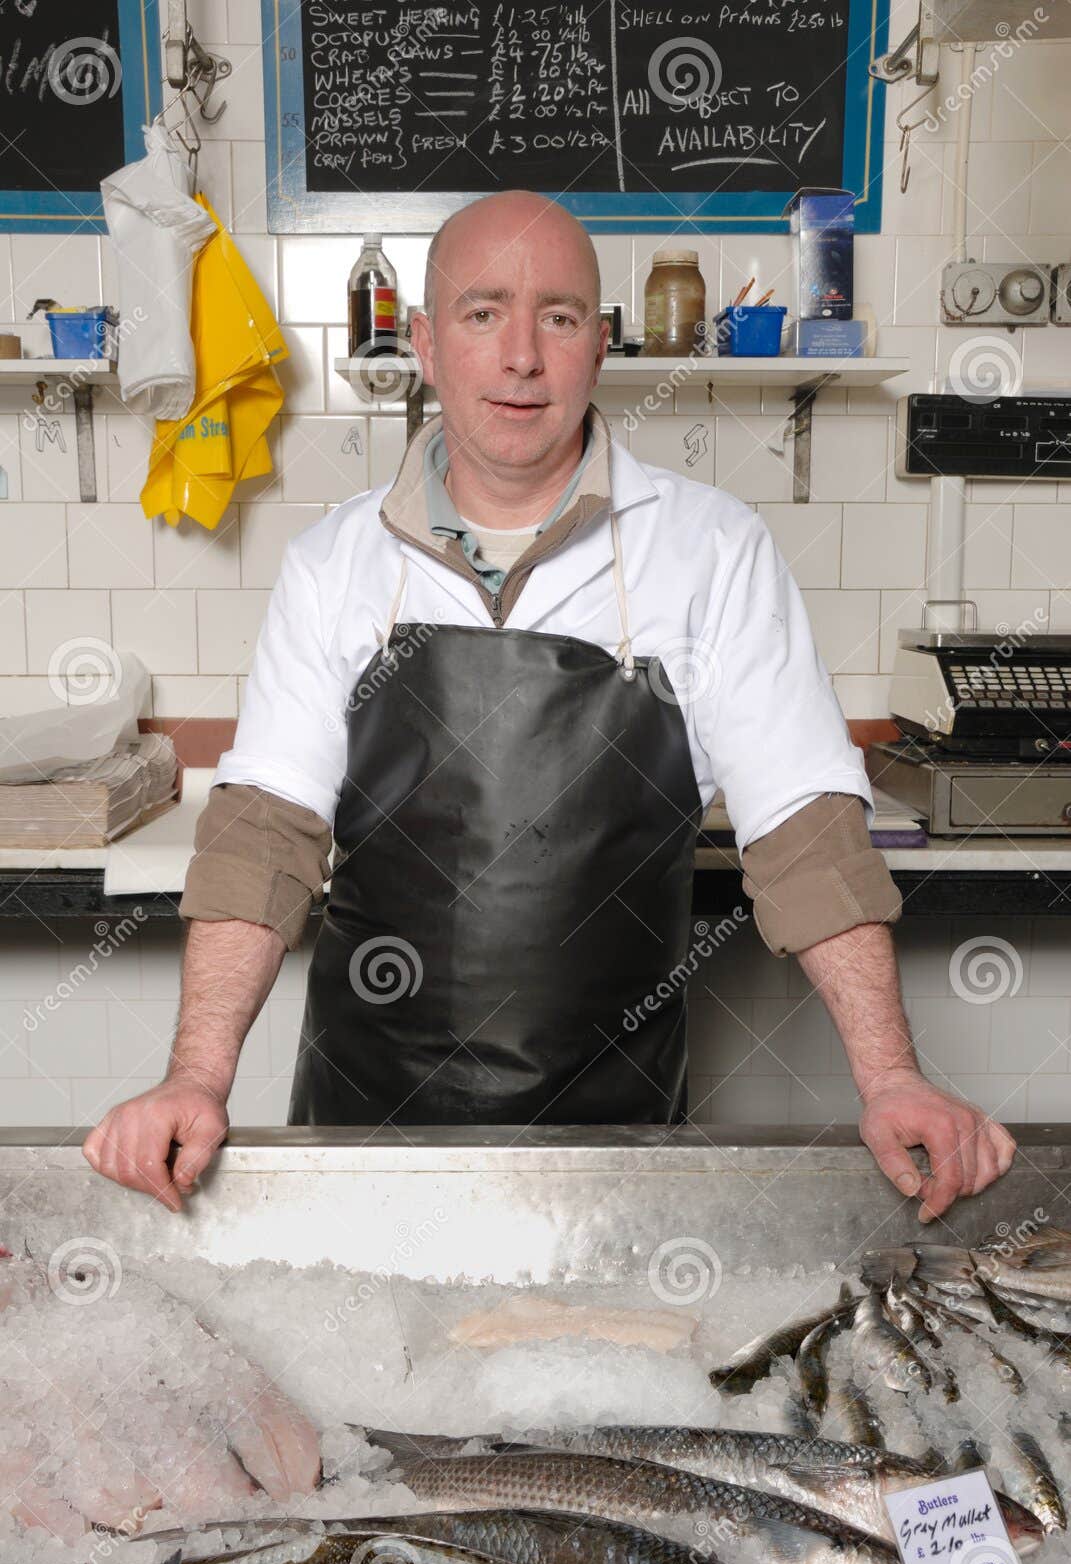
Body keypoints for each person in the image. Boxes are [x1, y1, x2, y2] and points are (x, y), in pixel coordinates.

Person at [83, 190, 1015, 1220]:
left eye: (559, 316)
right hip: (363, 1130)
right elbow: (265, 835)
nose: (522, 355)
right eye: (484, 314)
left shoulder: (708, 549)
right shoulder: (333, 565)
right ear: (428, 345)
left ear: (600, 346)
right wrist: (197, 1078)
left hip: (616, 1140)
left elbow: (805, 829)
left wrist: (890, 1079)